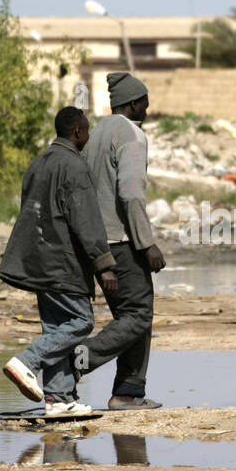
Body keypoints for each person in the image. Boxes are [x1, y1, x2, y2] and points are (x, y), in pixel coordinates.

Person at [0, 107, 119, 417]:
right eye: (87, 130)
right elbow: (86, 220)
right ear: (77, 132)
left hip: (38, 260)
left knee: (57, 326)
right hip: (62, 263)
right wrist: (104, 264)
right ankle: (26, 361)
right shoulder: (74, 167)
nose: (89, 136)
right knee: (81, 322)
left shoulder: (39, 162)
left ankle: (59, 398)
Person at [79, 72, 165, 410]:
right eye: (144, 101)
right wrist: (147, 244)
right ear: (133, 103)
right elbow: (130, 195)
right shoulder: (132, 135)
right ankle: (79, 359)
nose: (148, 107)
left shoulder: (96, 132)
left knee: (132, 315)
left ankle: (128, 393)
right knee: (139, 314)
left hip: (96, 243)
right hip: (122, 242)